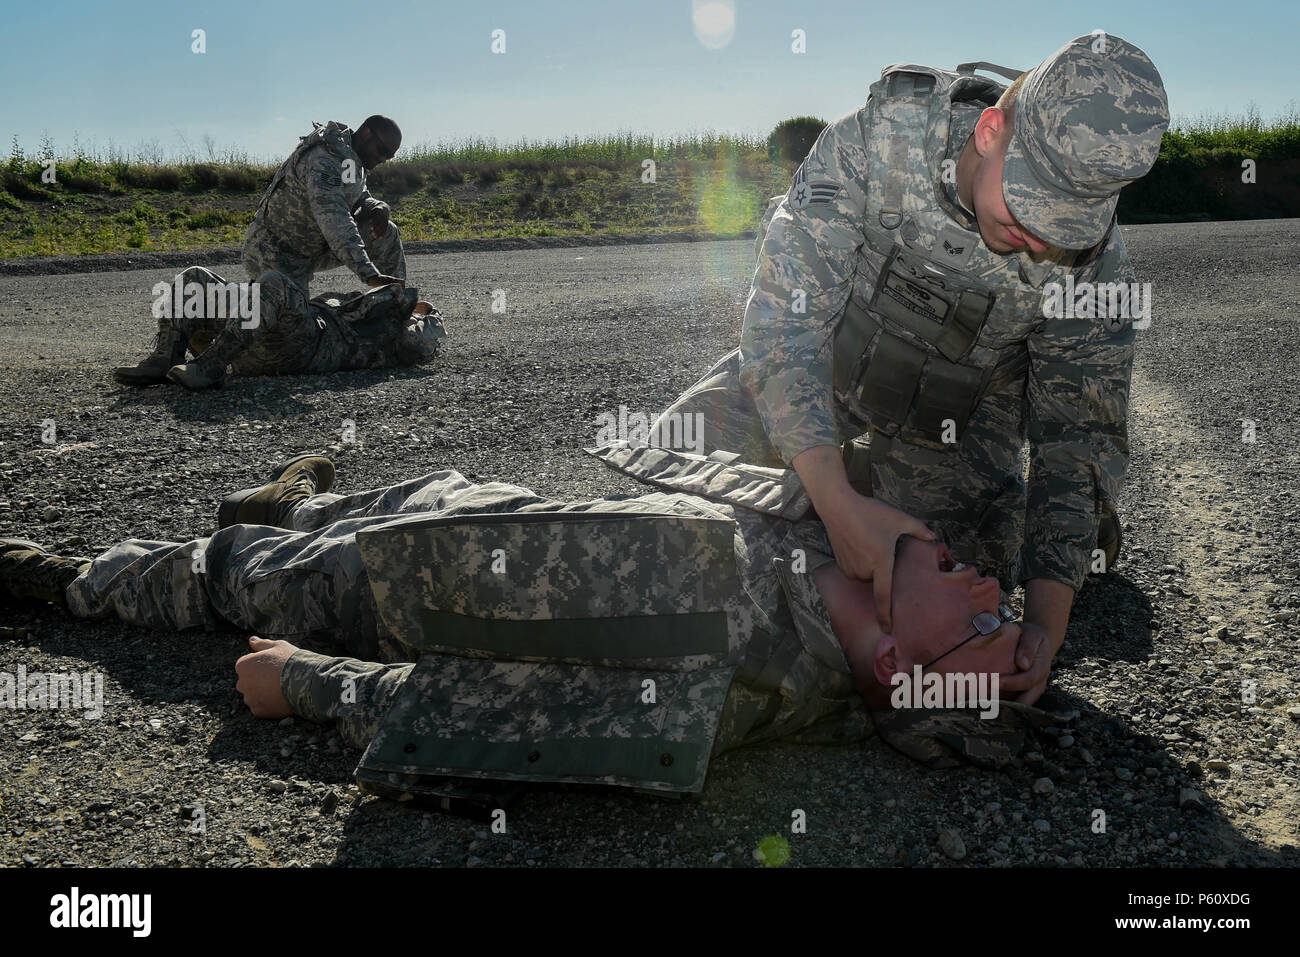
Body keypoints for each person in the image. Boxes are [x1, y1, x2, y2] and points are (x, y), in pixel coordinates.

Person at [0, 445, 1067, 804]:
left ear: (889, 658)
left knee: (221, 572)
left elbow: (506, 725)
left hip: (382, 592)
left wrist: (309, 682)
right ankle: (291, 495)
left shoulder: (736, 677)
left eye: (979, 627)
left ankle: (56, 580)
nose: (990, 591)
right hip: (470, 506)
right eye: (1000, 604)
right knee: (332, 506)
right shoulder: (832, 524)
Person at [649, 35, 1168, 707]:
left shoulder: (1096, 267)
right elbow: (785, 327)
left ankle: (1057, 536)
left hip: (946, 437)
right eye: (1033, 209)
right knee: (671, 473)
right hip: (821, 389)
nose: (1043, 242)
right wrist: (836, 506)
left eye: (1068, 227)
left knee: (950, 569)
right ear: (989, 133)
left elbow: (1078, 440)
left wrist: (1046, 617)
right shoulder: (874, 149)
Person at [112, 266, 445, 389]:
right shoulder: (370, 309)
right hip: (264, 336)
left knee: (275, 282)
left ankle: (211, 366)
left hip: (309, 347)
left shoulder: (400, 337)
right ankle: (164, 358)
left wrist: (420, 313)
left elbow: (430, 329)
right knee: (196, 277)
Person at [243, 115, 407, 296]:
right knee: (291, 318)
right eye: (382, 150)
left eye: (389, 156)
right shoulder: (325, 158)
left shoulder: (350, 159)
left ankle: (397, 304)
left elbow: (356, 195)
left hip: (314, 249)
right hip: (276, 252)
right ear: (367, 133)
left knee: (387, 232)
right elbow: (335, 220)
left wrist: (377, 206)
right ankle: (237, 300)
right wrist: (369, 274)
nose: (384, 159)